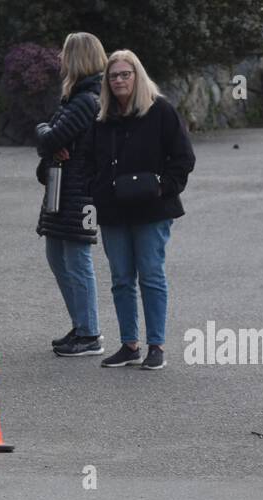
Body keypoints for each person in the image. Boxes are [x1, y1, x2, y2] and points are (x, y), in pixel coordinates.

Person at [82, 49, 195, 371]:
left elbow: (183, 158)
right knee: (120, 279)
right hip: (113, 212)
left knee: (151, 276)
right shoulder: (101, 118)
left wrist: (163, 187)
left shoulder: (161, 111)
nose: (118, 80)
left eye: (125, 74)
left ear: (137, 76)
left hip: (152, 210)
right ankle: (129, 344)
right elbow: (87, 160)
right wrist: (96, 188)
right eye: (113, 76)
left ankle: (156, 345)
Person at [34, 32, 107, 358]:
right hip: (64, 192)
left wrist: (46, 134)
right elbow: (47, 135)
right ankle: (80, 327)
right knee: (58, 257)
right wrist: (46, 133)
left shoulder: (85, 100)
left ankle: (89, 333)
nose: (60, 60)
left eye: (65, 54)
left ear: (77, 57)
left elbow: (49, 138)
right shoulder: (76, 97)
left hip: (78, 193)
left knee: (77, 262)